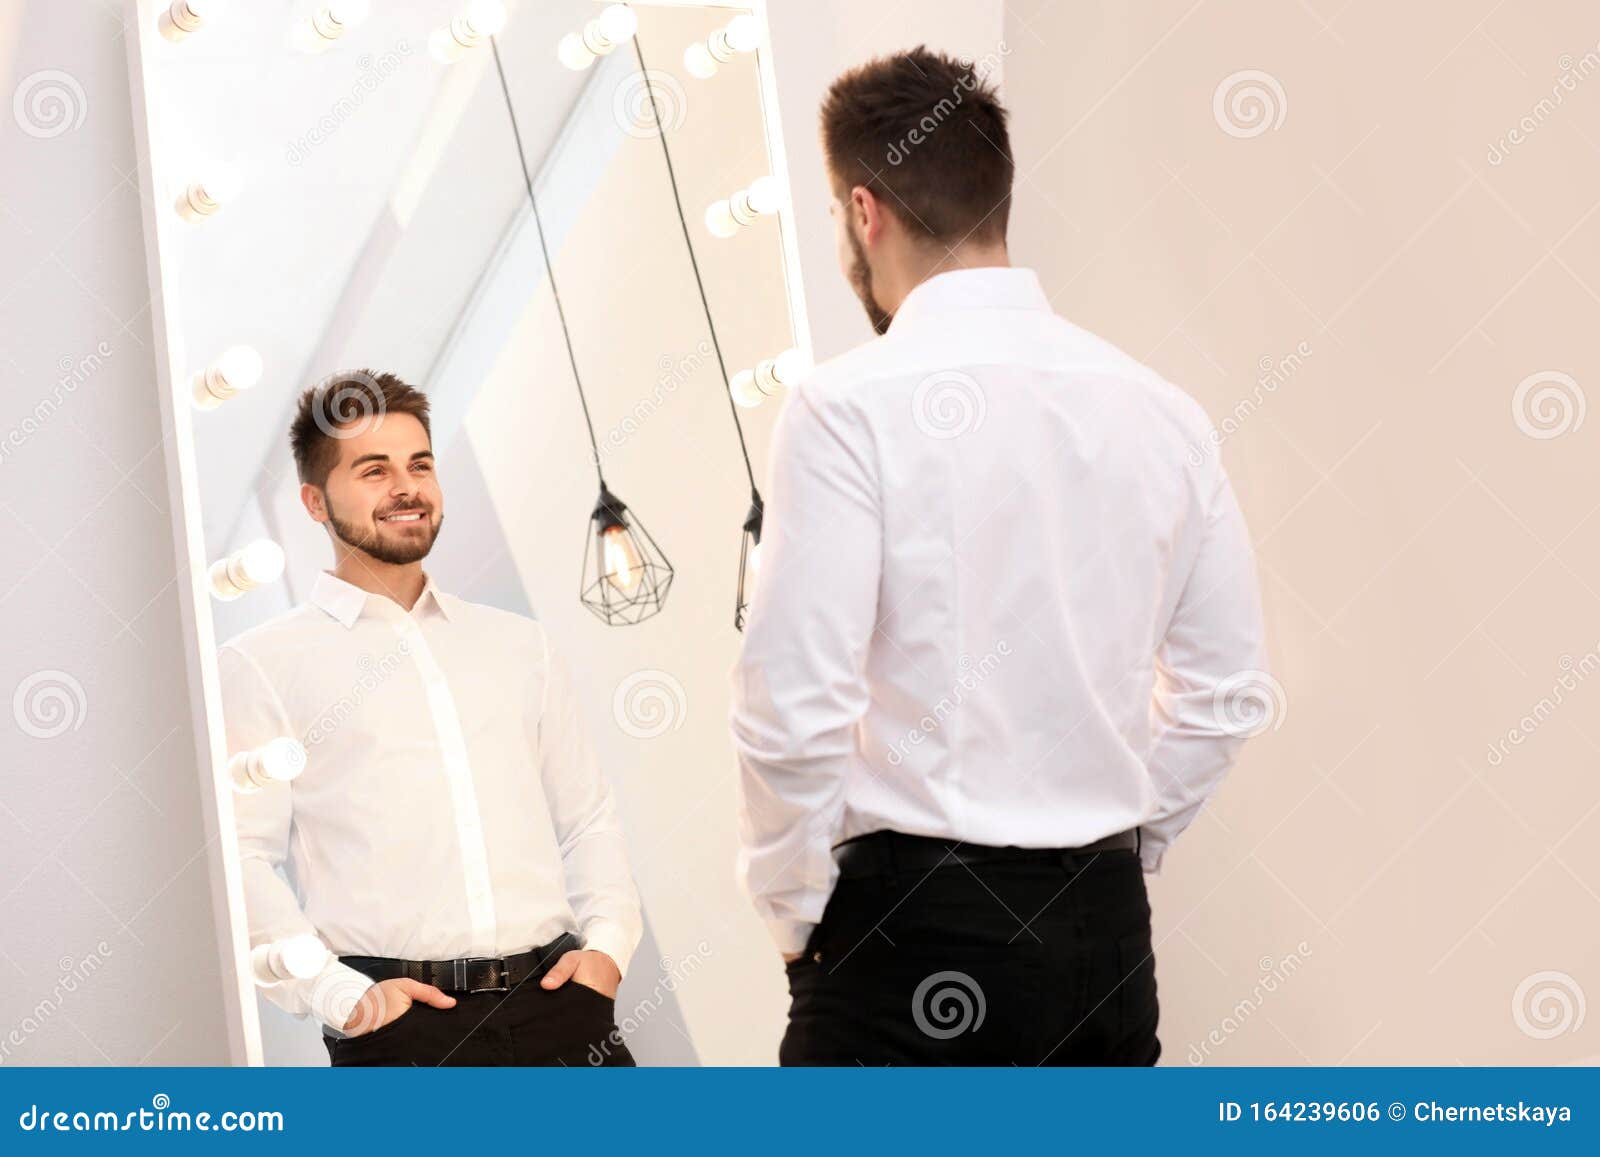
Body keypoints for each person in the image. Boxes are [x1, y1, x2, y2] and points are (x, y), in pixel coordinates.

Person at [731, 47, 1268, 1066]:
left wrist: (795, 911)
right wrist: (1114, 843)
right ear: (997, 198)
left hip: (908, 934)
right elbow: (1227, 692)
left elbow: (793, 700)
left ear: (862, 211)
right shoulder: (1162, 414)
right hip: (1102, 940)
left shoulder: (848, 407)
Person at [219, 370, 641, 1066]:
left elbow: (589, 817)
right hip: (402, 1034)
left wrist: (608, 950)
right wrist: (336, 994)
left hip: (565, 1014)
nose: (406, 487)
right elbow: (242, 857)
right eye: (374, 470)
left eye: (420, 464)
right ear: (314, 501)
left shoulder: (519, 644)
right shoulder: (262, 664)